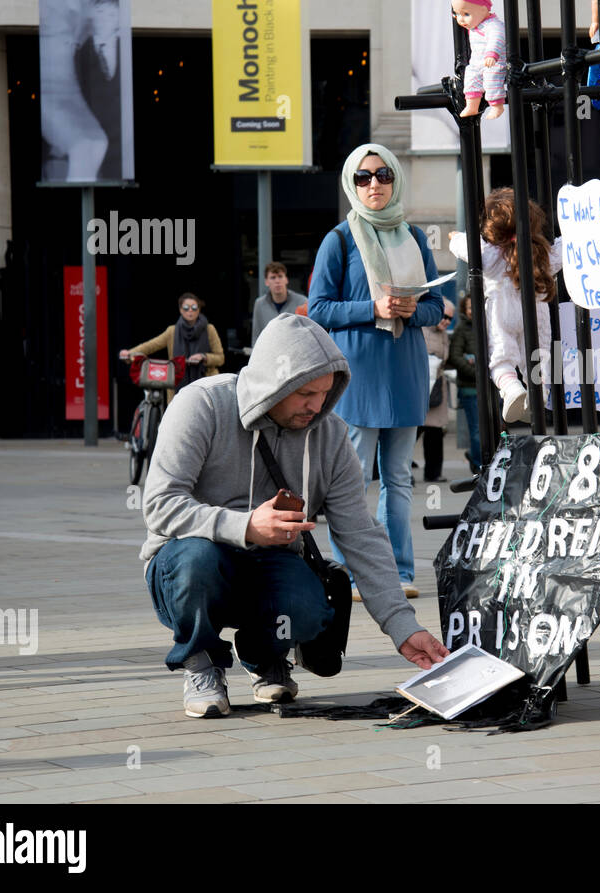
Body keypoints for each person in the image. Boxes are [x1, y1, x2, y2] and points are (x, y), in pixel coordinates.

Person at [140, 313, 449, 718]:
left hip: (272, 562)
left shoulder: (331, 435)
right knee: (197, 562)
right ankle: (201, 661)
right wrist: (246, 526)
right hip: (189, 559)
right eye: (304, 392)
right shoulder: (202, 405)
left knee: (307, 607)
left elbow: (360, 534)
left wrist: (403, 626)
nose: (316, 405)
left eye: (325, 392)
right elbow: (160, 503)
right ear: (273, 384)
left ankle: (264, 655)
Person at [308, 144, 444, 601]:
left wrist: (410, 309)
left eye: (383, 175)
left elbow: (435, 308)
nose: (374, 185)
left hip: (404, 371)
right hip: (358, 377)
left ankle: (398, 573)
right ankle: (347, 573)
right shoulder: (339, 239)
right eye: (364, 177)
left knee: (400, 480)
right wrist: (374, 308)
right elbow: (320, 309)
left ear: (395, 180)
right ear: (351, 182)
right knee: (354, 480)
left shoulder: (415, 237)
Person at [449, 187, 561, 424]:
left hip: (501, 311)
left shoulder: (488, 254)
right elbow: (563, 252)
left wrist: (454, 237)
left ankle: (511, 388)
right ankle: (539, 391)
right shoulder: (540, 253)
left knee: (501, 356)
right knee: (538, 355)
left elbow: (465, 246)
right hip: (536, 311)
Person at [37, 0, 108, 181]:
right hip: (47, 88)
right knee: (79, 146)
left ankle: (82, 205)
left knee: (98, 142)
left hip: (71, 89)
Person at [120, 292, 224, 396]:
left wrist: (203, 357)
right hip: (178, 382)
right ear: (180, 310)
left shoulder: (209, 329)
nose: (190, 311)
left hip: (205, 384)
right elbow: (152, 345)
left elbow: (220, 358)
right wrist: (130, 353)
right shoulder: (172, 331)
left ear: (199, 309)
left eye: (194, 307)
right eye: (186, 308)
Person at [73, 0, 122, 181]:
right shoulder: (81, 54)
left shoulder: (125, 51)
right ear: (93, 14)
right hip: (91, 143)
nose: (105, 20)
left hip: (121, 148)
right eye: (100, 12)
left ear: (119, 18)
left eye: (111, 14)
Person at [447, 294, 484, 473]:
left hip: (491, 388)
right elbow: (455, 357)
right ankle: (479, 466)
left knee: (497, 428)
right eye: (469, 307)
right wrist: (477, 372)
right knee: (477, 430)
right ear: (464, 309)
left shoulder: (489, 326)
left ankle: (483, 459)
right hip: (470, 388)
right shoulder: (461, 329)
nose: (473, 311)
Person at [420, 298, 455, 482]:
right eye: (444, 316)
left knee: (435, 433)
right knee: (412, 432)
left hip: (436, 386)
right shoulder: (422, 329)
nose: (447, 321)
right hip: (420, 386)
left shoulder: (443, 334)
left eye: (450, 318)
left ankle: (433, 473)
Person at [252, 260, 308, 347]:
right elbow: (256, 334)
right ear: (266, 282)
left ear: (286, 279)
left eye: (280, 276)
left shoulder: (302, 301)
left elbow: (308, 334)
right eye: (273, 277)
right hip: (269, 352)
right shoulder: (259, 304)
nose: (277, 281)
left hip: (295, 351)